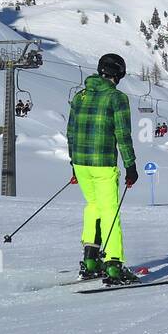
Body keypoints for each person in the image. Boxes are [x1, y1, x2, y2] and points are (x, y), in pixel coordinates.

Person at [66, 53, 139, 285]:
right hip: (103, 164)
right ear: (118, 74)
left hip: (80, 163)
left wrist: (73, 165)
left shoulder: (80, 97)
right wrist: (130, 165)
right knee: (110, 212)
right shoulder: (117, 98)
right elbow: (122, 135)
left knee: (93, 207)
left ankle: (90, 261)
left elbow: (70, 132)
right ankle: (114, 265)